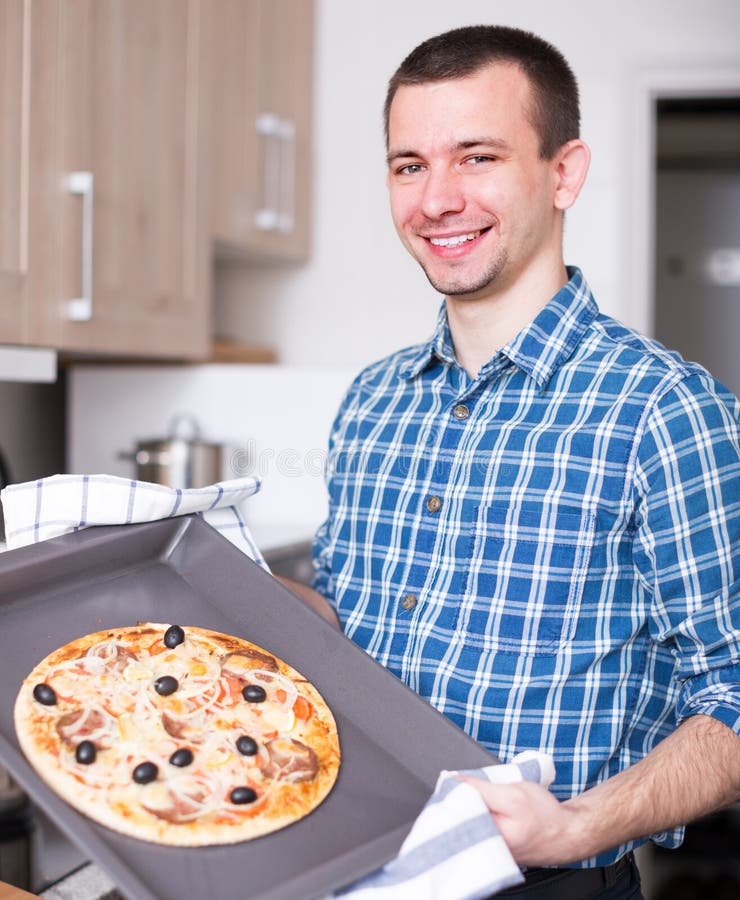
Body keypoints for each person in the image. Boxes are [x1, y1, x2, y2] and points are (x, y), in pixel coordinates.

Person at [282, 24, 740, 898]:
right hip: (344, 861)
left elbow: (736, 690)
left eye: (477, 157)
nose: (437, 199)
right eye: (409, 165)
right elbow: (347, 620)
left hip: (547, 883)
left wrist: (575, 828)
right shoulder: (373, 401)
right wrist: (203, 566)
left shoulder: (664, 412)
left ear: (563, 172)